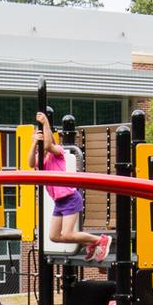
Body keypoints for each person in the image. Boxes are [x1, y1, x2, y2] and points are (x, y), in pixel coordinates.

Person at [29, 111, 110, 263]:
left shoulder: (57, 152)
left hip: (70, 198)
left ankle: (100, 240)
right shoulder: (42, 162)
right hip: (59, 202)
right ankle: (90, 243)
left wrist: (46, 122)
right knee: (54, 236)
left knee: (66, 233)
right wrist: (33, 142)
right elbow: (30, 163)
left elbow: (48, 144)